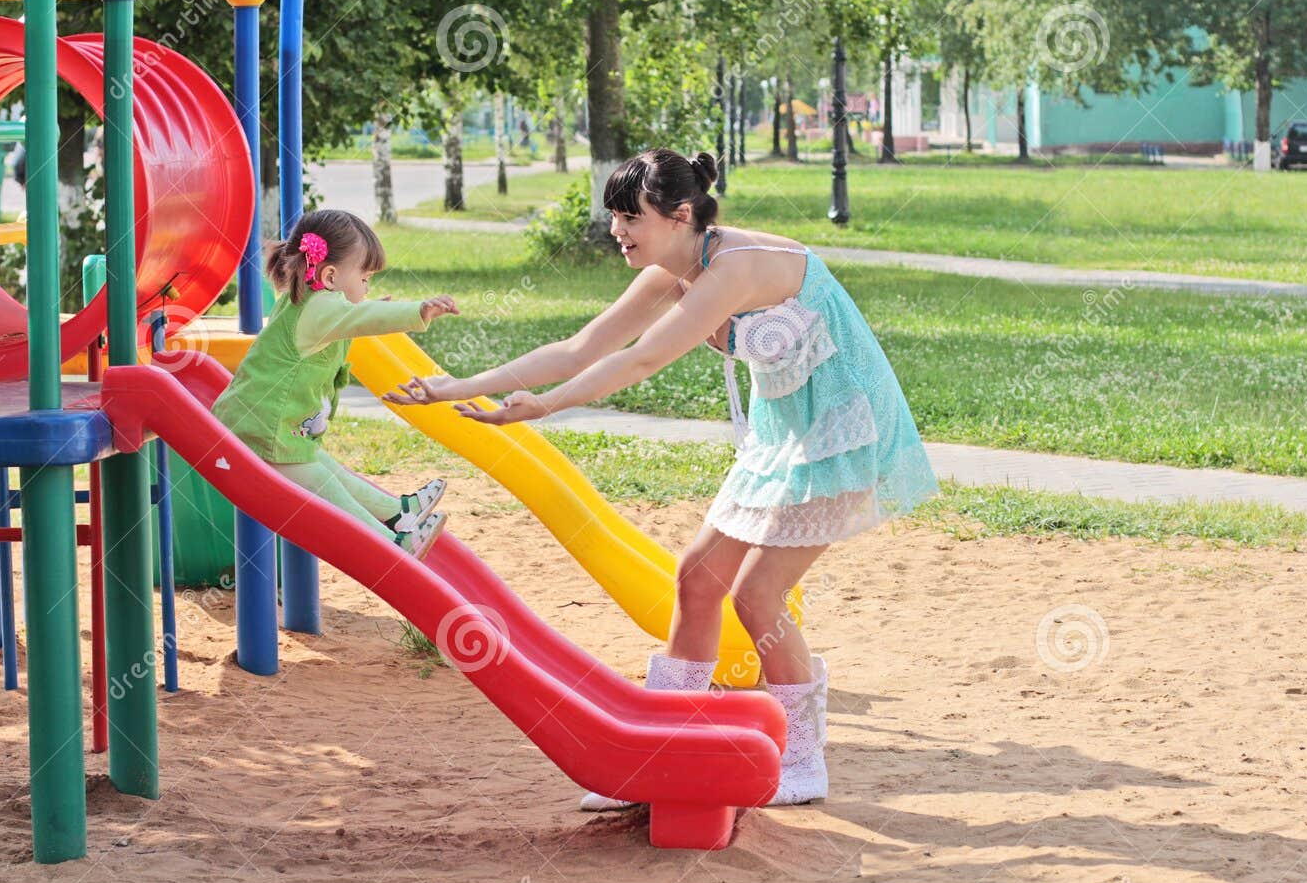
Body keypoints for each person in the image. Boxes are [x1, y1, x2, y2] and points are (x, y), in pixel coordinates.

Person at [385, 148, 938, 806]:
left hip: (838, 424)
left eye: (630, 216)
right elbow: (580, 348)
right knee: (697, 579)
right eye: (614, 214)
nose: (617, 229)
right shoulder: (671, 266)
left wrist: (547, 406)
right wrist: (455, 386)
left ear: (679, 217)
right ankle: (660, 744)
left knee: (759, 599)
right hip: (783, 429)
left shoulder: (732, 269)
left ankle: (803, 760)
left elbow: (643, 360)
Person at [212, 208, 459, 559]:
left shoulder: (308, 302)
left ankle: (397, 512)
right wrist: (418, 311)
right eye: (365, 278)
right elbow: (360, 316)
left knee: (328, 469)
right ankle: (390, 543)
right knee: (327, 486)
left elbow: (353, 316)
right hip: (261, 431)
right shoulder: (321, 309)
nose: (366, 287)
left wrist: (366, 306)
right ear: (329, 276)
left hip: (263, 425)